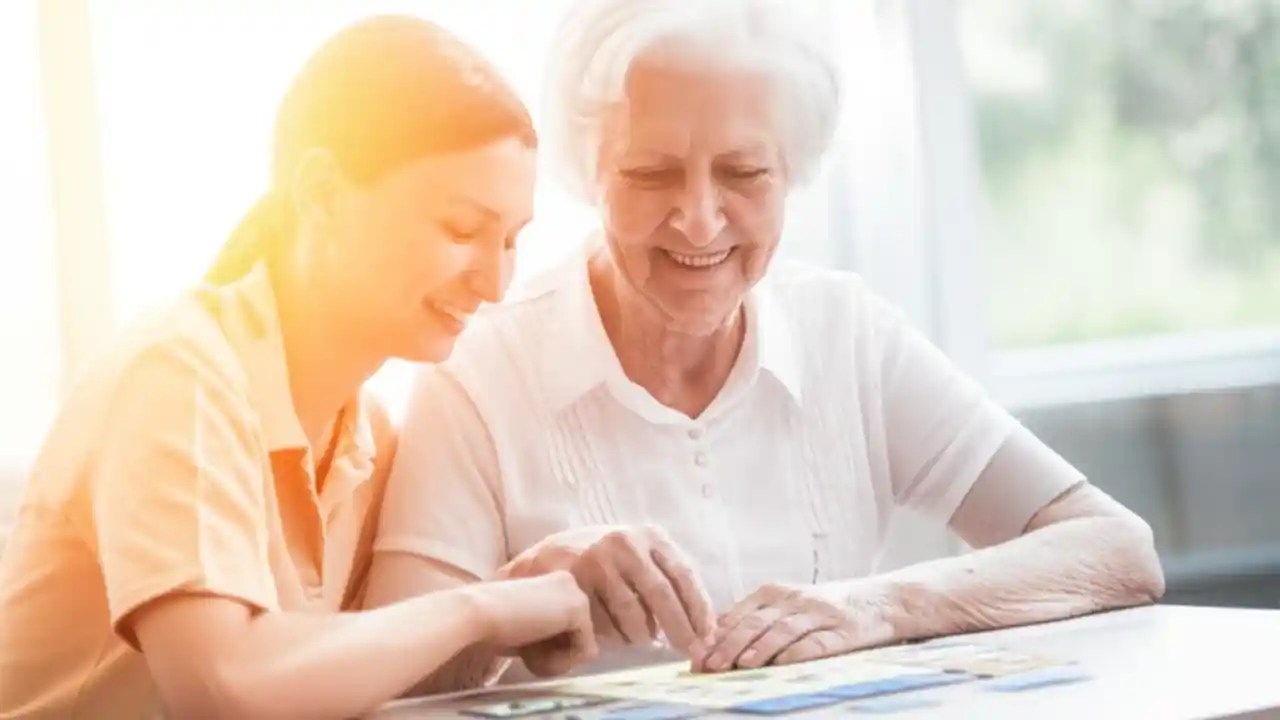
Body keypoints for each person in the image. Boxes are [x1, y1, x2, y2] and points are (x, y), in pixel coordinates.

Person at [364, 0, 1165, 689]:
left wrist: (877, 606)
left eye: (745, 173)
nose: (701, 220)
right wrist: (521, 602)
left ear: (793, 173)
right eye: (651, 174)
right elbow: (379, 677)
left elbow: (1115, 550)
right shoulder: (477, 372)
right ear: (589, 170)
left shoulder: (846, 333)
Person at [0, 16, 596, 719]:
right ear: (320, 193)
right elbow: (224, 686)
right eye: (462, 231)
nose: (493, 285)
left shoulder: (364, 432)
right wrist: (478, 607)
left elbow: (339, 679)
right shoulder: (177, 374)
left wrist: (520, 600)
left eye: (510, 242)